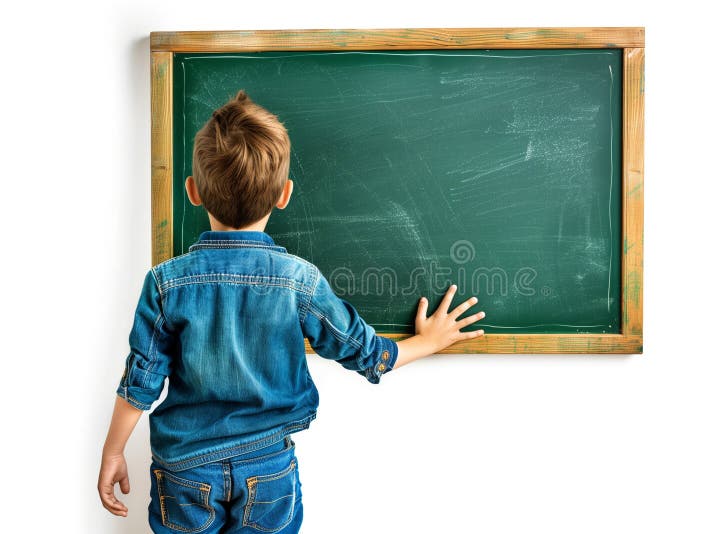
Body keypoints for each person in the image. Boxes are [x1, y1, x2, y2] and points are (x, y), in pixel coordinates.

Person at [98, 89, 485, 533]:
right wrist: (428, 341)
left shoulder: (165, 284)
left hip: (185, 470)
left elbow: (140, 381)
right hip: (268, 469)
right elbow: (365, 353)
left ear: (193, 191)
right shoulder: (298, 281)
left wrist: (113, 453)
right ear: (284, 194)